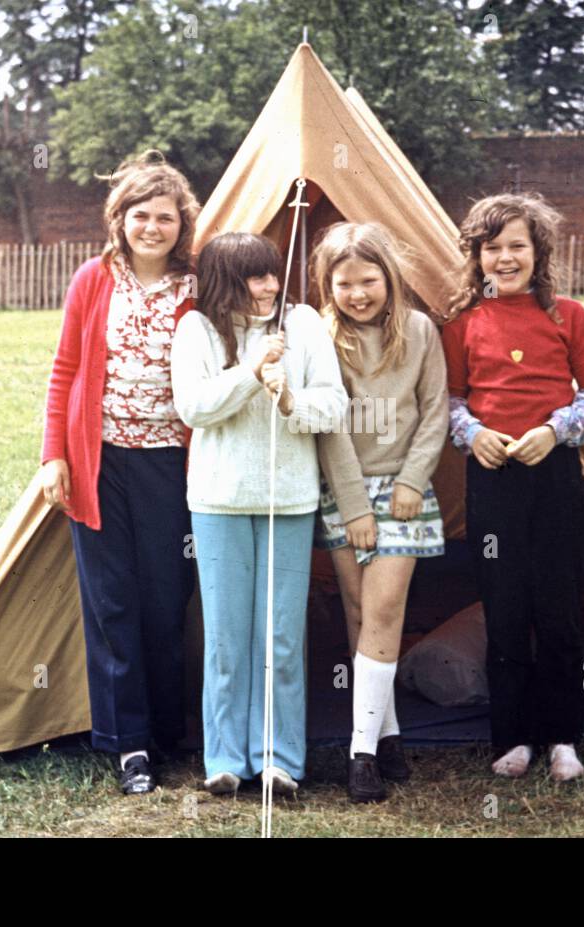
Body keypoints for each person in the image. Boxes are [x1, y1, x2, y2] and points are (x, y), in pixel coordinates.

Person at [39, 149, 199, 795]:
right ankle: (127, 743)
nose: (152, 227)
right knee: (112, 605)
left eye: (165, 217)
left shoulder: (198, 285)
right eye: (141, 215)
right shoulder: (93, 279)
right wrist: (54, 454)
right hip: (98, 464)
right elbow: (65, 369)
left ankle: (167, 733)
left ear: (181, 225)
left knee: (166, 603)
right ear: (120, 218)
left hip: (173, 467)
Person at [440, 192, 584, 782]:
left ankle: (564, 736)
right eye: (494, 248)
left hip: (557, 477)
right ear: (478, 256)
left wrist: (556, 429)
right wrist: (472, 434)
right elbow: (450, 401)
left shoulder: (570, 315)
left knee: (558, 606)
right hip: (493, 479)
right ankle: (513, 737)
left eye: (518, 246)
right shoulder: (463, 323)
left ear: (539, 252)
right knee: (505, 608)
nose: (506, 258)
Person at [170, 231, 348, 796]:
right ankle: (224, 757)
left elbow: (334, 404)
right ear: (226, 281)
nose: (269, 285)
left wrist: (290, 399)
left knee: (281, 636)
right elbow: (195, 407)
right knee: (226, 635)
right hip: (219, 500)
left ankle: (280, 760)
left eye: (273, 273)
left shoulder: (305, 325)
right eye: (254, 276)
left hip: (288, 498)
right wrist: (250, 372)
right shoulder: (196, 328)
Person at [311, 222, 449, 803]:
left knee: (385, 606)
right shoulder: (321, 336)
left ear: (389, 280)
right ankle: (387, 735)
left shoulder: (418, 331)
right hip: (345, 487)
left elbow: (435, 410)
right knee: (358, 611)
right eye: (345, 284)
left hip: (404, 490)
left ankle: (359, 754)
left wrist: (414, 480)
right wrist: (352, 505)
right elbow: (329, 425)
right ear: (329, 286)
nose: (358, 294)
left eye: (369, 281)